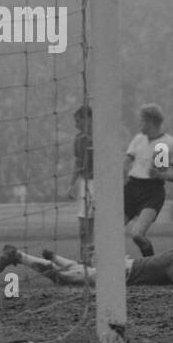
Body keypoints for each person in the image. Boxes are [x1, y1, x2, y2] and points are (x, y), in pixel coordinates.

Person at [0, 233, 173, 287]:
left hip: (122, 266)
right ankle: (17, 255)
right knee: (65, 279)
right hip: (119, 273)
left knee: (79, 272)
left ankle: (55, 257)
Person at [122, 104, 173, 257]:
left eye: (141, 121)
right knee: (111, 232)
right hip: (132, 188)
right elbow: (127, 160)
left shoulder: (167, 144)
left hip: (152, 191)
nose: (139, 124)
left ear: (150, 122)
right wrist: (122, 172)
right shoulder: (138, 139)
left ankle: (151, 264)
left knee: (137, 234)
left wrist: (162, 175)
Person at [71, 105, 95, 263]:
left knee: (95, 225)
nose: (76, 124)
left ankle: (94, 259)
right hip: (85, 184)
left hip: (100, 184)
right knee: (83, 228)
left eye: (78, 120)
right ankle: (85, 261)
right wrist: (71, 184)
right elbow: (78, 163)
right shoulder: (79, 139)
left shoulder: (101, 136)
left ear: (88, 119)